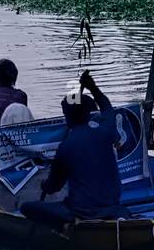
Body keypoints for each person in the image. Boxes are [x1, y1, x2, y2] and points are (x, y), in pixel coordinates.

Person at [20, 70, 122, 227]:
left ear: (67, 118)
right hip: (112, 208)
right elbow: (107, 107)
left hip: (81, 212)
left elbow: (54, 187)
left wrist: (44, 185)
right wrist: (93, 87)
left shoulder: (66, 147)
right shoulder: (105, 130)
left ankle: (66, 228)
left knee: (26, 208)